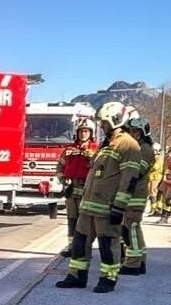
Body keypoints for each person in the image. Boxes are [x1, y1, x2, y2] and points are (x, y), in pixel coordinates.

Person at [55, 102, 141, 294]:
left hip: (106, 207)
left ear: (116, 120)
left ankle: (108, 279)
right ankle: (76, 276)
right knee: (79, 243)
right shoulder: (107, 143)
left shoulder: (128, 145)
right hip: (88, 207)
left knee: (107, 245)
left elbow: (129, 178)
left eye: (104, 122)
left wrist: (119, 206)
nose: (101, 126)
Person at [55, 120, 98, 257]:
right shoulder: (69, 150)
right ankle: (71, 247)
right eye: (80, 131)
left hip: (86, 188)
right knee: (71, 220)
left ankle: (84, 248)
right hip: (71, 189)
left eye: (86, 131)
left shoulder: (96, 149)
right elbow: (59, 167)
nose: (83, 134)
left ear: (91, 133)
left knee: (84, 220)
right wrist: (63, 179)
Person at [120, 116, 153, 276]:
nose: (129, 135)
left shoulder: (145, 149)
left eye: (132, 132)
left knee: (130, 228)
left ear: (139, 133)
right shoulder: (138, 148)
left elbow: (137, 172)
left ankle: (133, 263)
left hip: (135, 195)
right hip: (132, 194)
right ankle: (140, 261)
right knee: (133, 228)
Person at [146, 143, 164, 213]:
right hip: (151, 177)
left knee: (153, 192)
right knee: (150, 191)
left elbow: (155, 167)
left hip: (156, 177)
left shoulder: (159, 157)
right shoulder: (154, 157)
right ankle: (153, 207)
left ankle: (155, 209)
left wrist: (148, 167)